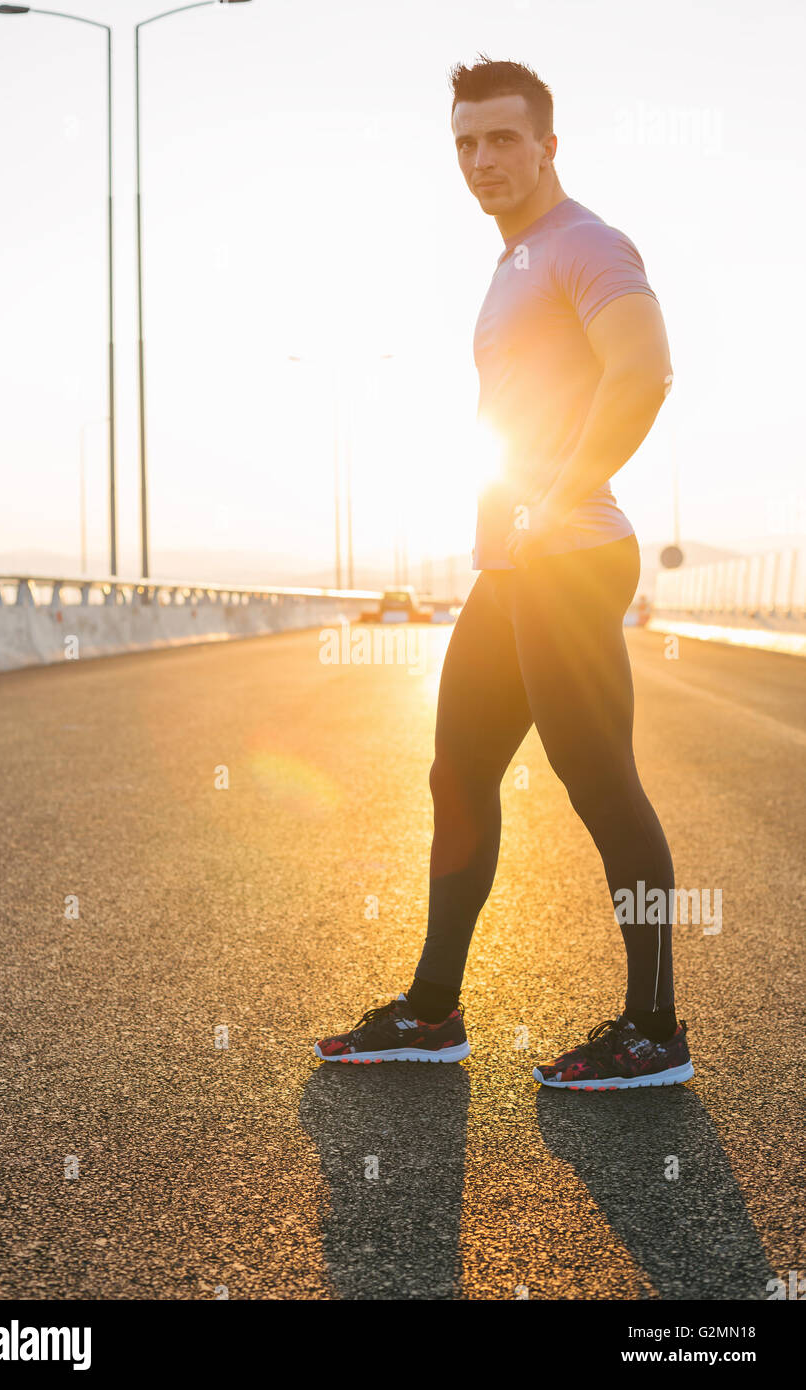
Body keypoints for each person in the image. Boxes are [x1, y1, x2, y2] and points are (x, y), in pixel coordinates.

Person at [314, 57, 693, 1090]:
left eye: (501, 139)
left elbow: (643, 367)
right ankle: (432, 1013)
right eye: (465, 143)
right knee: (457, 772)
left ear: (547, 145)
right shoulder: (512, 260)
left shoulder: (583, 242)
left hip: (568, 558)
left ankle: (654, 1029)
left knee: (599, 781)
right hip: (513, 567)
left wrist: (565, 491)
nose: (481, 159)